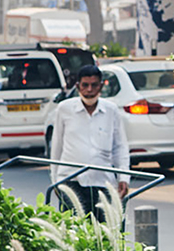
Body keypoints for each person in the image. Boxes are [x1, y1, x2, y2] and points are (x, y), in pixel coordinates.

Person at [48, 61, 129, 221]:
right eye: (85, 85)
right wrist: (55, 180)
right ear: (78, 86)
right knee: (74, 233)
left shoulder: (110, 111)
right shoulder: (65, 109)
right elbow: (56, 146)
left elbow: (120, 147)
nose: (89, 90)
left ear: (101, 86)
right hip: (71, 180)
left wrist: (124, 178)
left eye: (94, 85)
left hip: (103, 182)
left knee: (105, 232)